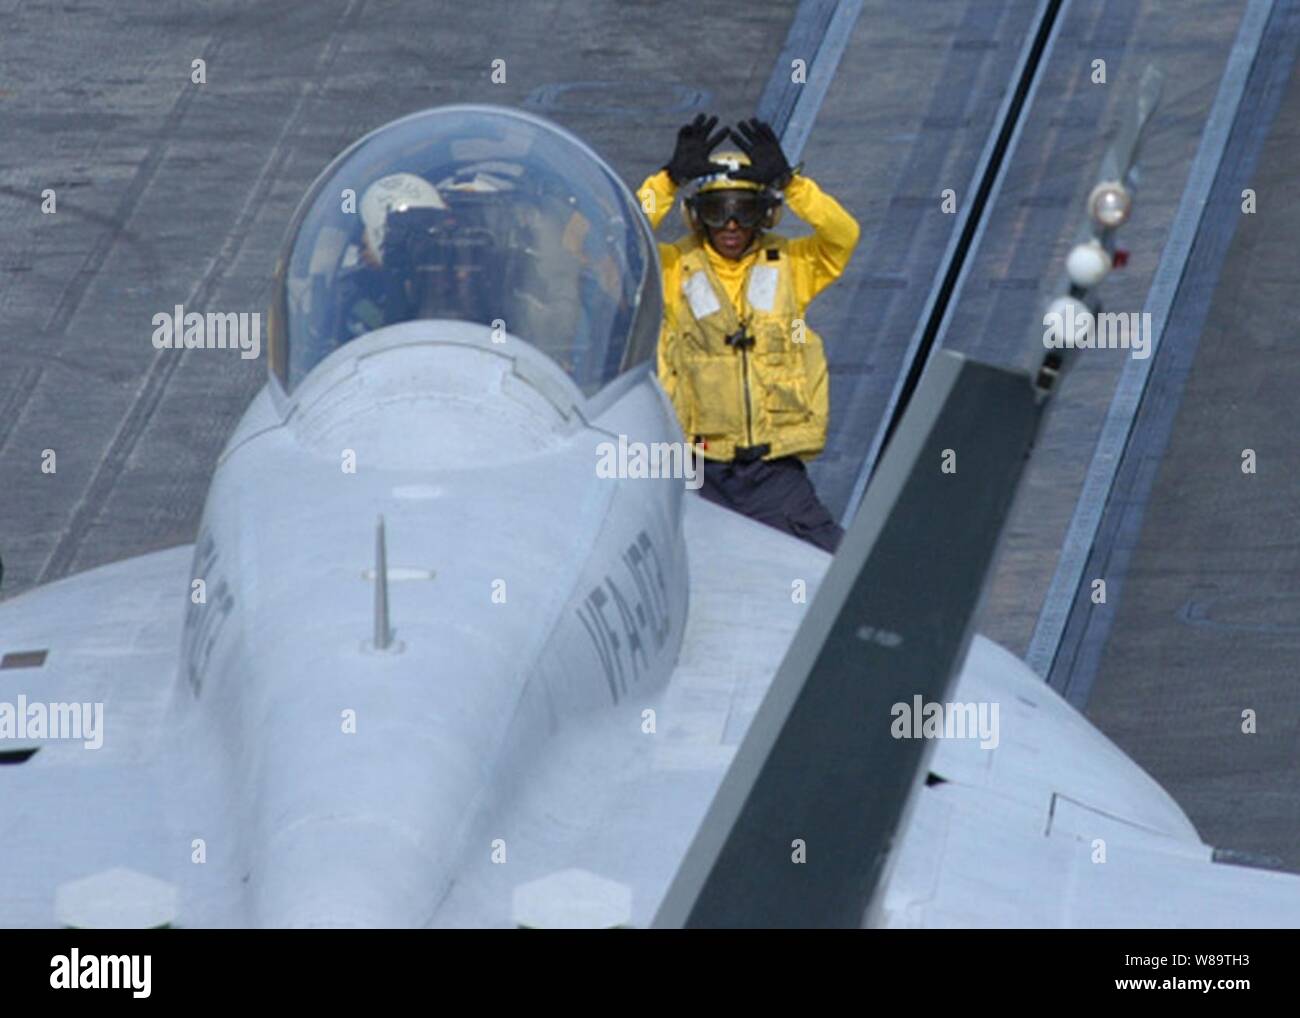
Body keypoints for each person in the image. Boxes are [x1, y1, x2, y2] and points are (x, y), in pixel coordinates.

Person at [638, 115, 860, 552]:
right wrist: (667, 180)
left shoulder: (793, 265)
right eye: (718, 212)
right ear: (697, 216)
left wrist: (791, 183)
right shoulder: (670, 269)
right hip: (700, 471)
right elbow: (608, 244)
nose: (732, 227)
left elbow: (843, 236)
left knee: (835, 569)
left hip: (774, 473)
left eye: (745, 211)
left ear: (766, 215)